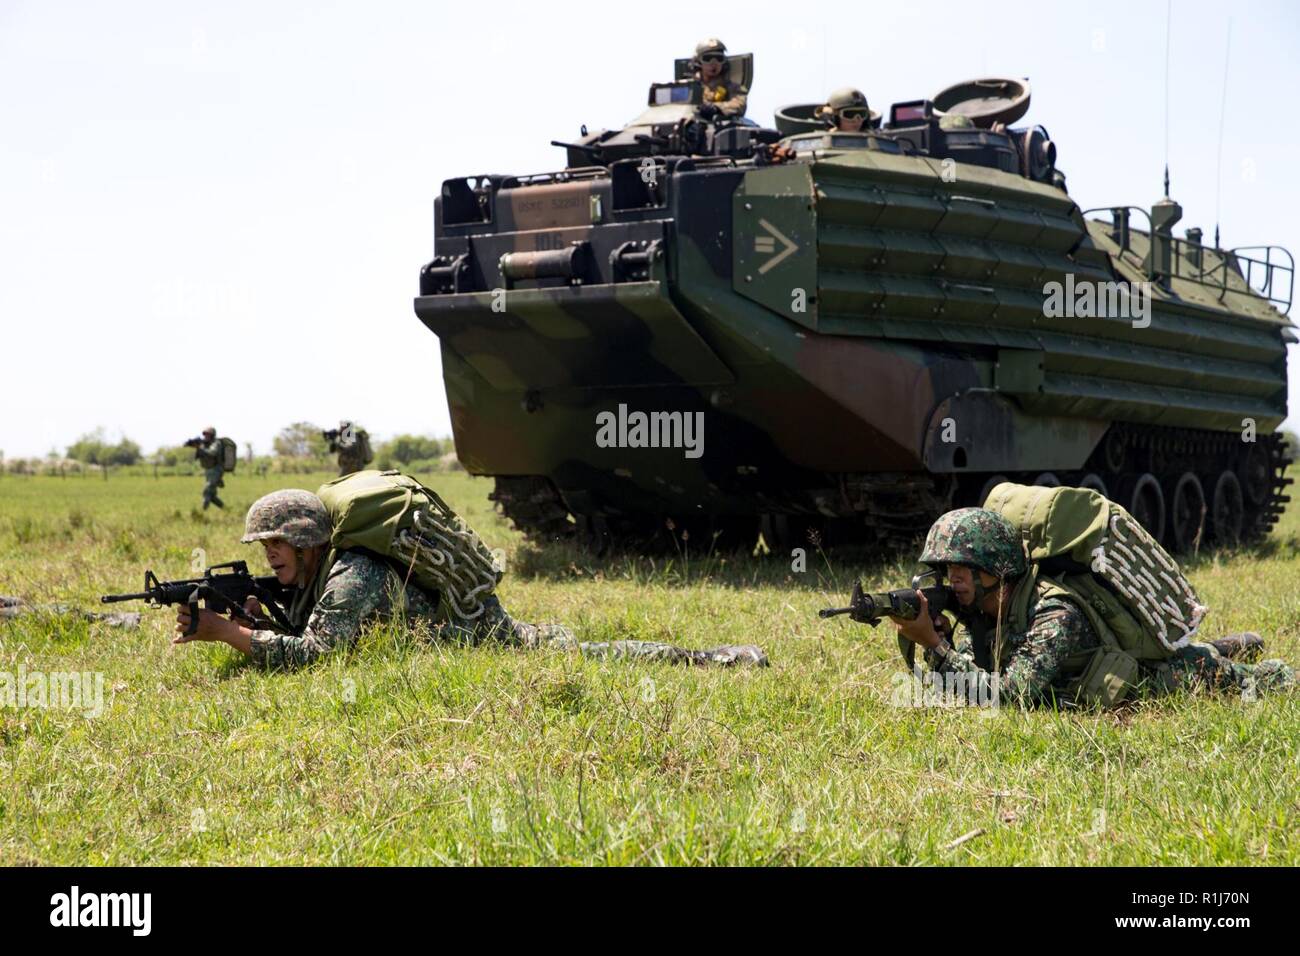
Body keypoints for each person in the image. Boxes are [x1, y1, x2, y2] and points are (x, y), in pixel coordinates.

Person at [173, 489, 768, 670]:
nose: (271, 554)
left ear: (308, 540)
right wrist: (253, 620)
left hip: (483, 640)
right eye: (265, 546)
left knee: (592, 654)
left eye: (278, 543)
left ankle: (715, 658)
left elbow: (317, 655)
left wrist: (226, 632)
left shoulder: (352, 573)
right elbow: (318, 630)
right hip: (456, 639)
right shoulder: (324, 572)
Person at [889, 508, 1294, 708]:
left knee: (1251, 681)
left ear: (997, 570)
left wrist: (936, 648)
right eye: (948, 569)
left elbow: (1011, 696)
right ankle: (1223, 645)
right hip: (1095, 672)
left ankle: (1232, 658)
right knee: (1204, 653)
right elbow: (987, 671)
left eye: (963, 569)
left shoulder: (1055, 615)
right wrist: (938, 640)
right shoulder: (990, 606)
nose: (953, 579)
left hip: (1158, 678)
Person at [691, 38, 747, 120]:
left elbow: (739, 105)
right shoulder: (688, 87)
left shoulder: (734, 88)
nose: (714, 63)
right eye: (707, 59)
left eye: (719, 58)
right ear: (698, 62)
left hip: (720, 127)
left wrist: (716, 108)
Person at [194, 427, 225, 510]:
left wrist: (201, 448)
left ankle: (202, 512)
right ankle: (225, 508)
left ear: (212, 435)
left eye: (208, 434)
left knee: (207, 491)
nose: (206, 436)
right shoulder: (205, 444)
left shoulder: (216, 443)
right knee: (211, 495)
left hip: (216, 470)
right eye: (205, 434)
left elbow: (212, 452)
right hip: (209, 471)